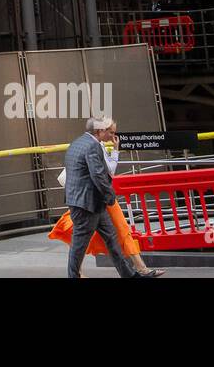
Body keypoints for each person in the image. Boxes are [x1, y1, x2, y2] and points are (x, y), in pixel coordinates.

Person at [51, 117, 164, 278]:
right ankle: (74, 276)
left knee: (111, 239)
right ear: (99, 131)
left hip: (88, 202)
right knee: (79, 245)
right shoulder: (93, 146)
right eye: (109, 132)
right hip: (87, 204)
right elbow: (98, 175)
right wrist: (110, 197)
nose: (112, 136)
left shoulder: (77, 143)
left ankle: (129, 274)